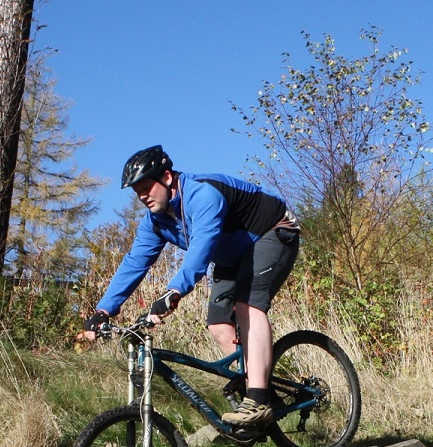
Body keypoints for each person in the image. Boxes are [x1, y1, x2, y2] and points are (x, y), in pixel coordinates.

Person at [81, 145, 300, 427]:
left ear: (167, 178)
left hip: (271, 231)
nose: (142, 196)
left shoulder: (203, 195)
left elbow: (201, 249)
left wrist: (173, 291)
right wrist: (103, 310)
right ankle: (262, 392)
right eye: (137, 192)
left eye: (146, 187)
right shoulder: (155, 222)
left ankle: (257, 398)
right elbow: (135, 263)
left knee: (248, 305)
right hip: (231, 255)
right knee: (218, 325)